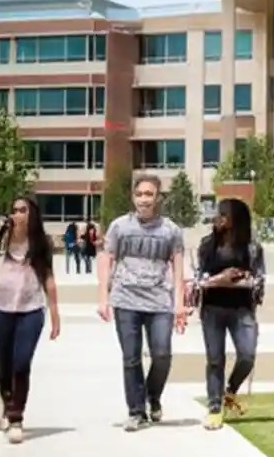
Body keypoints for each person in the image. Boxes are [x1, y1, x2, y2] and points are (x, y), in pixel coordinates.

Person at [96, 173, 187, 432]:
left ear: (158, 198)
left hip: (159, 301)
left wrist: (179, 304)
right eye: (139, 194)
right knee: (131, 358)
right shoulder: (120, 227)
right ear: (133, 197)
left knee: (162, 354)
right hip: (126, 299)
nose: (144, 199)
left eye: (149, 194)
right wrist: (103, 298)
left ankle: (152, 396)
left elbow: (179, 269)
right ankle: (136, 411)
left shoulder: (171, 230)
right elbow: (107, 259)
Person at [0, 196, 61, 443]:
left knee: (21, 362)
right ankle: (7, 403)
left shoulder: (41, 243)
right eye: (14, 210)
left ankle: (17, 417)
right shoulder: (0, 239)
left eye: (23, 210)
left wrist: (55, 314)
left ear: (32, 214)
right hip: (0, 308)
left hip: (31, 309)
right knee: (4, 365)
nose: (17, 215)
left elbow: (48, 278)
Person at [191, 198, 264, 431]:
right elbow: (197, 281)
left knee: (247, 355)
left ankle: (229, 391)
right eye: (217, 214)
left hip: (242, 309)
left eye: (223, 214)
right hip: (213, 309)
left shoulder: (252, 248)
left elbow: (258, 282)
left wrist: (239, 280)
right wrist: (220, 280)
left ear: (237, 219)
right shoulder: (206, 246)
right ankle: (214, 408)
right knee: (215, 359)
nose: (217, 218)